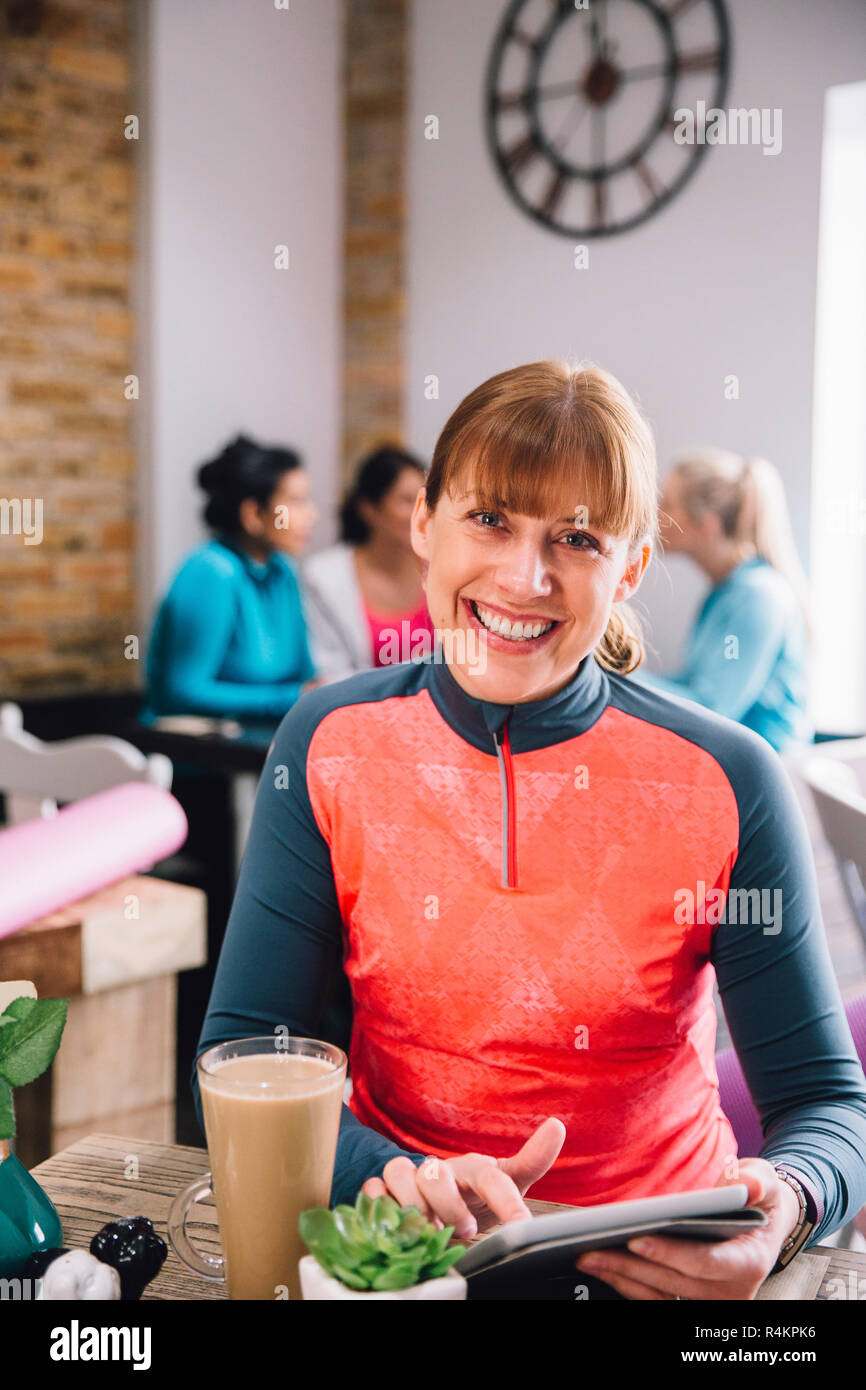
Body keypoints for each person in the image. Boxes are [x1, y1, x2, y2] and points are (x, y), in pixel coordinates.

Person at [191, 362, 866, 1301]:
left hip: (661, 1278)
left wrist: (783, 1210)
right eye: (491, 519)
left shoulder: (728, 777)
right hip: (408, 1266)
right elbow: (247, 1054)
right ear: (424, 523)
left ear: (629, 568)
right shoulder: (326, 743)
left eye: (577, 538)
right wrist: (382, 1172)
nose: (525, 576)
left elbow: (827, 1104)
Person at [633, 448, 812, 753]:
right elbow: (694, 687)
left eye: (668, 505)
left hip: (768, 777)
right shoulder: (726, 592)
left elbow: (713, 709)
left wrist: (614, 680)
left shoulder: (757, 597)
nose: (655, 516)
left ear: (707, 524)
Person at [144, 434, 324, 721]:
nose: (312, 515)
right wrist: (292, 698)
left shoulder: (284, 571)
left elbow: (305, 674)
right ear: (252, 514)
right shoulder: (212, 571)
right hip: (204, 756)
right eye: (296, 501)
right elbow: (181, 692)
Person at [301, 445, 435, 680]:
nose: (420, 513)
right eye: (406, 500)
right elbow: (328, 675)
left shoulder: (439, 569)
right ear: (369, 509)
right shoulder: (322, 578)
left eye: (425, 500)